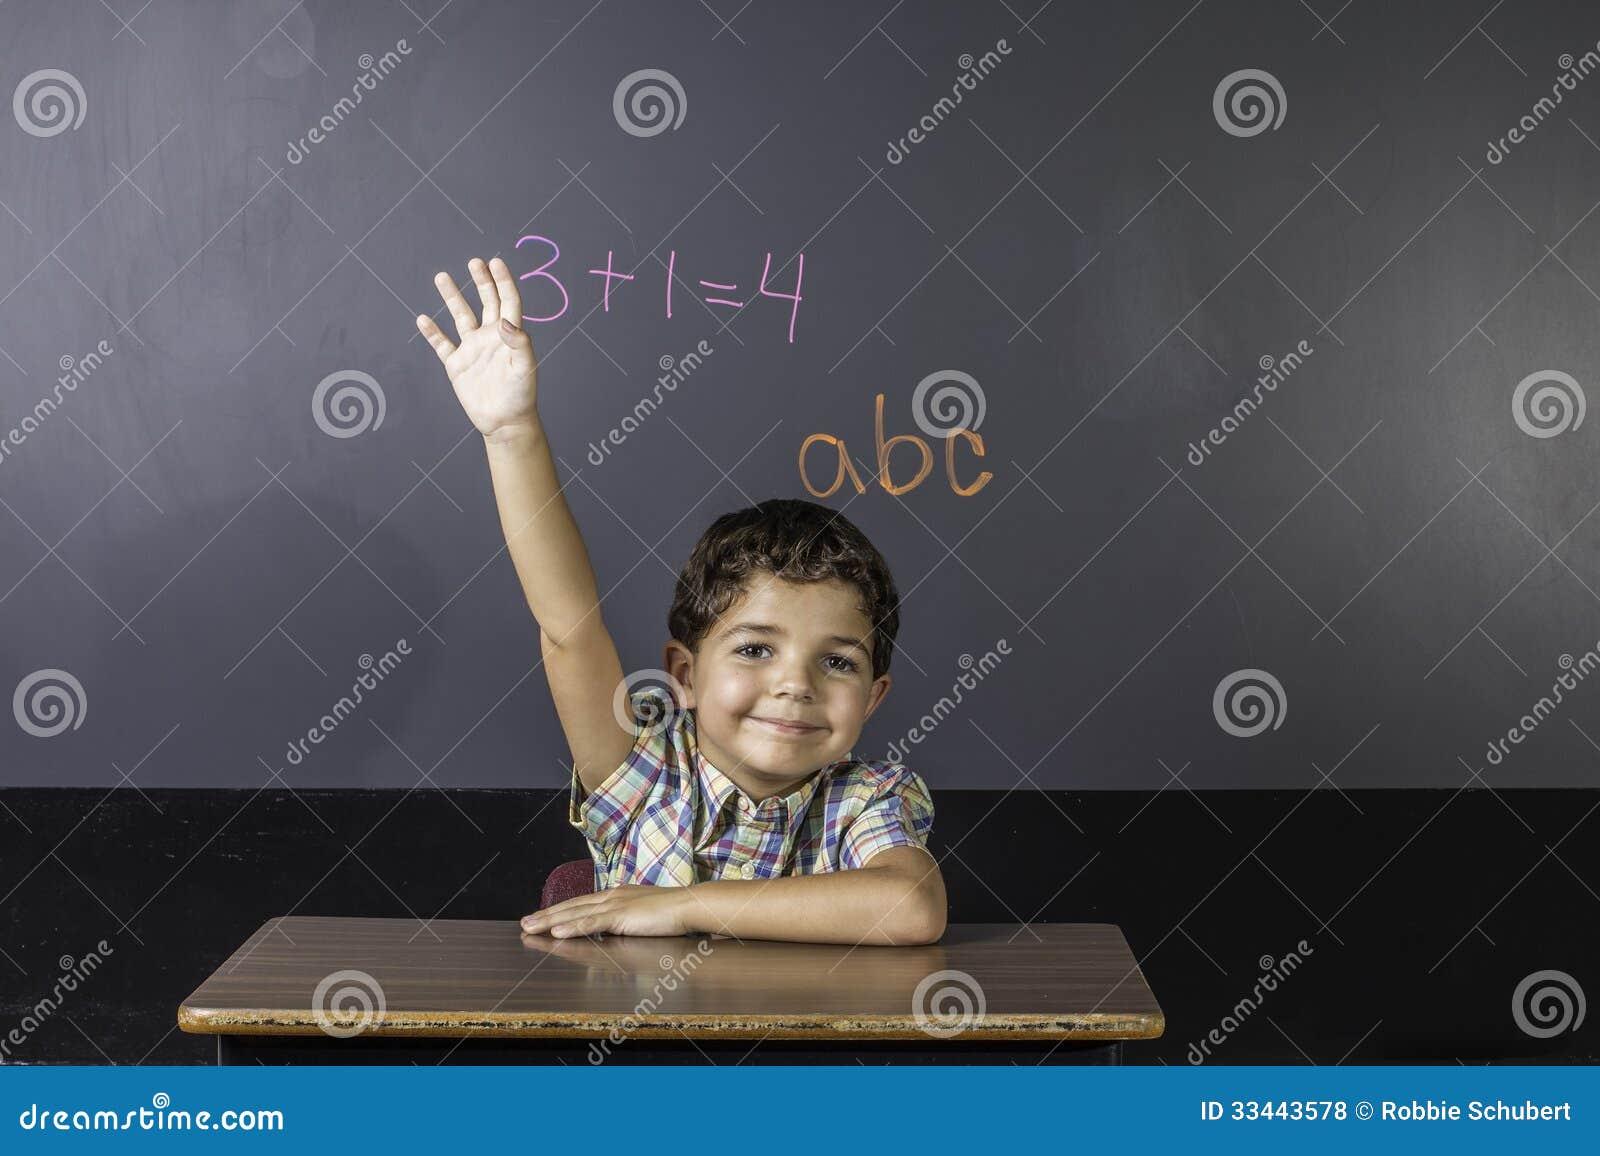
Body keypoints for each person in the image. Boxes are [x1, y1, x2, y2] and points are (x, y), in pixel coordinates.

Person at [416, 258, 945, 945]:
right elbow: (569, 629)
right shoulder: (639, 770)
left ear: (873, 698)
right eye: (756, 649)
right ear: (686, 673)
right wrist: (512, 433)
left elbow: (912, 909)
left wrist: (682, 906)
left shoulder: (869, 797)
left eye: (838, 664)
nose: (794, 685)